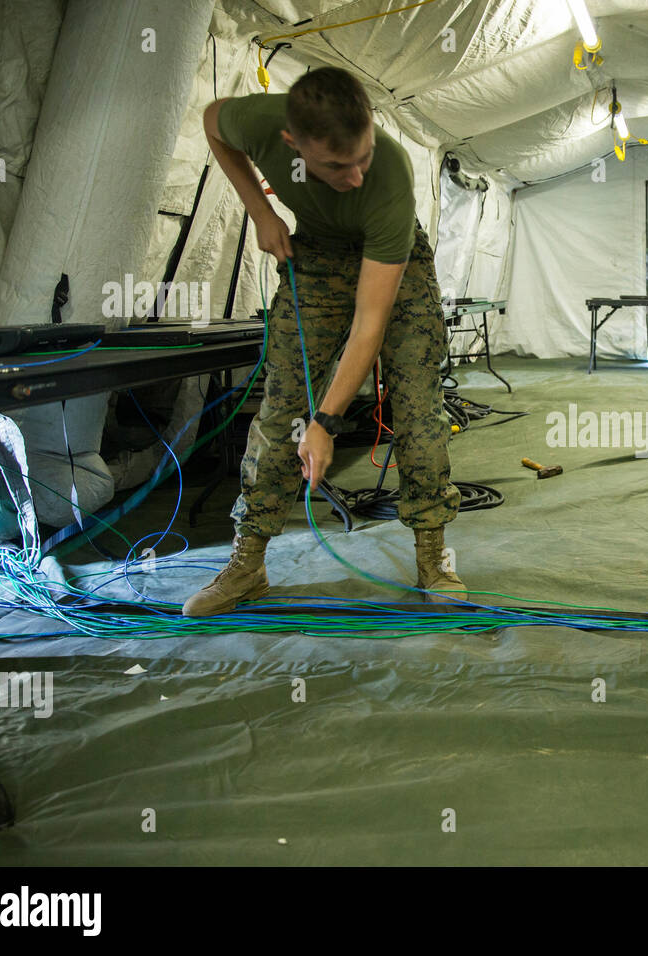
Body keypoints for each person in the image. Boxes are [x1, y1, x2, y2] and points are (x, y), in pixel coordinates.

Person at [183, 66, 465, 616]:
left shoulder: (388, 178)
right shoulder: (262, 123)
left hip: (395, 264)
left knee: (418, 408)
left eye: (362, 156)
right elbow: (211, 121)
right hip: (315, 254)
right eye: (337, 165)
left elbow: (370, 323)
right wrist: (262, 213)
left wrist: (328, 422)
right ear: (292, 144)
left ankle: (433, 555)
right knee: (282, 407)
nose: (356, 175)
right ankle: (248, 564)